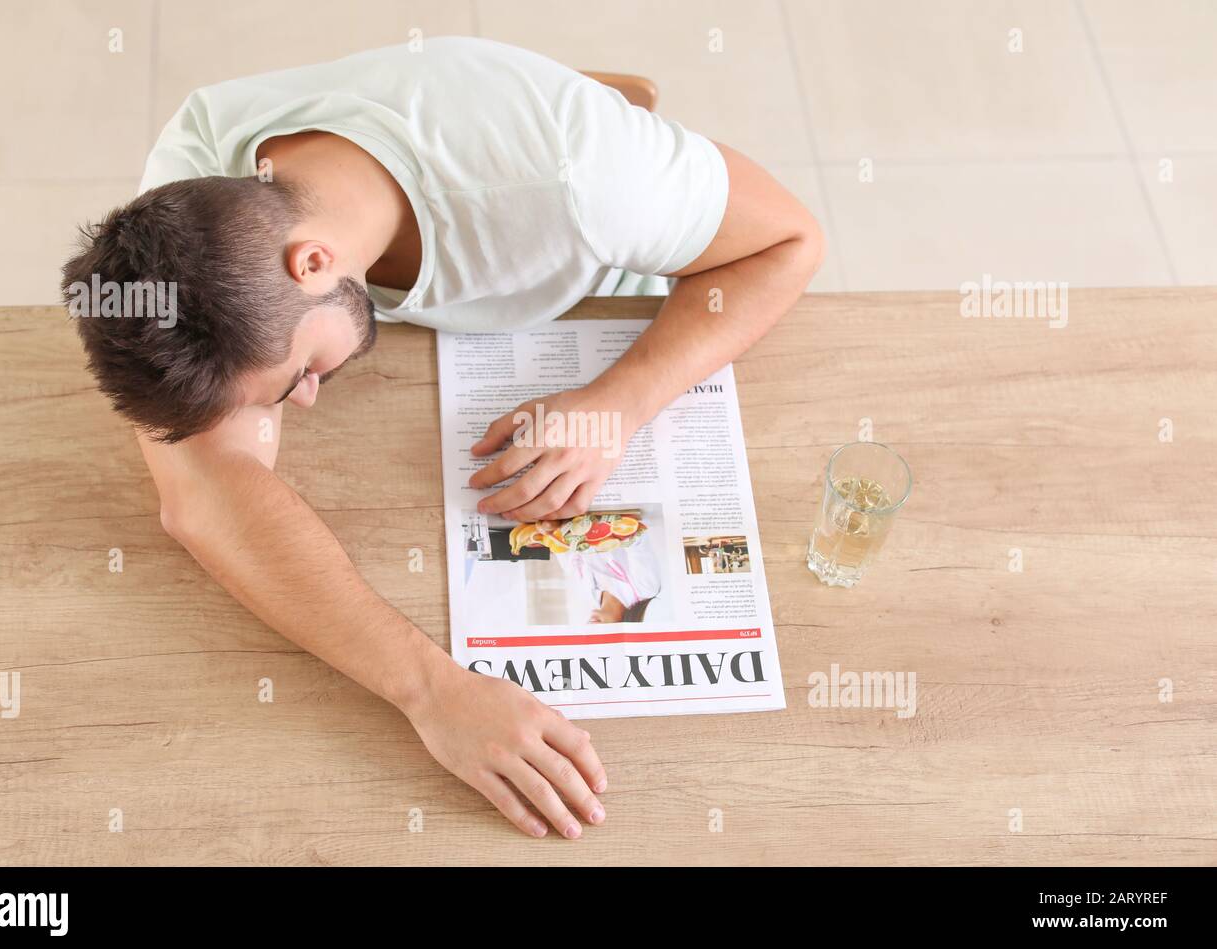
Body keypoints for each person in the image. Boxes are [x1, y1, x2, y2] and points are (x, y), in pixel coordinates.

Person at [60, 37, 824, 840]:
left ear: (314, 261)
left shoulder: (583, 175)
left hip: (622, 292)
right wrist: (433, 691)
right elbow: (201, 500)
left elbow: (790, 242)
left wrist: (618, 406)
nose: (306, 400)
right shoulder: (190, 185)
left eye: (295, 377)